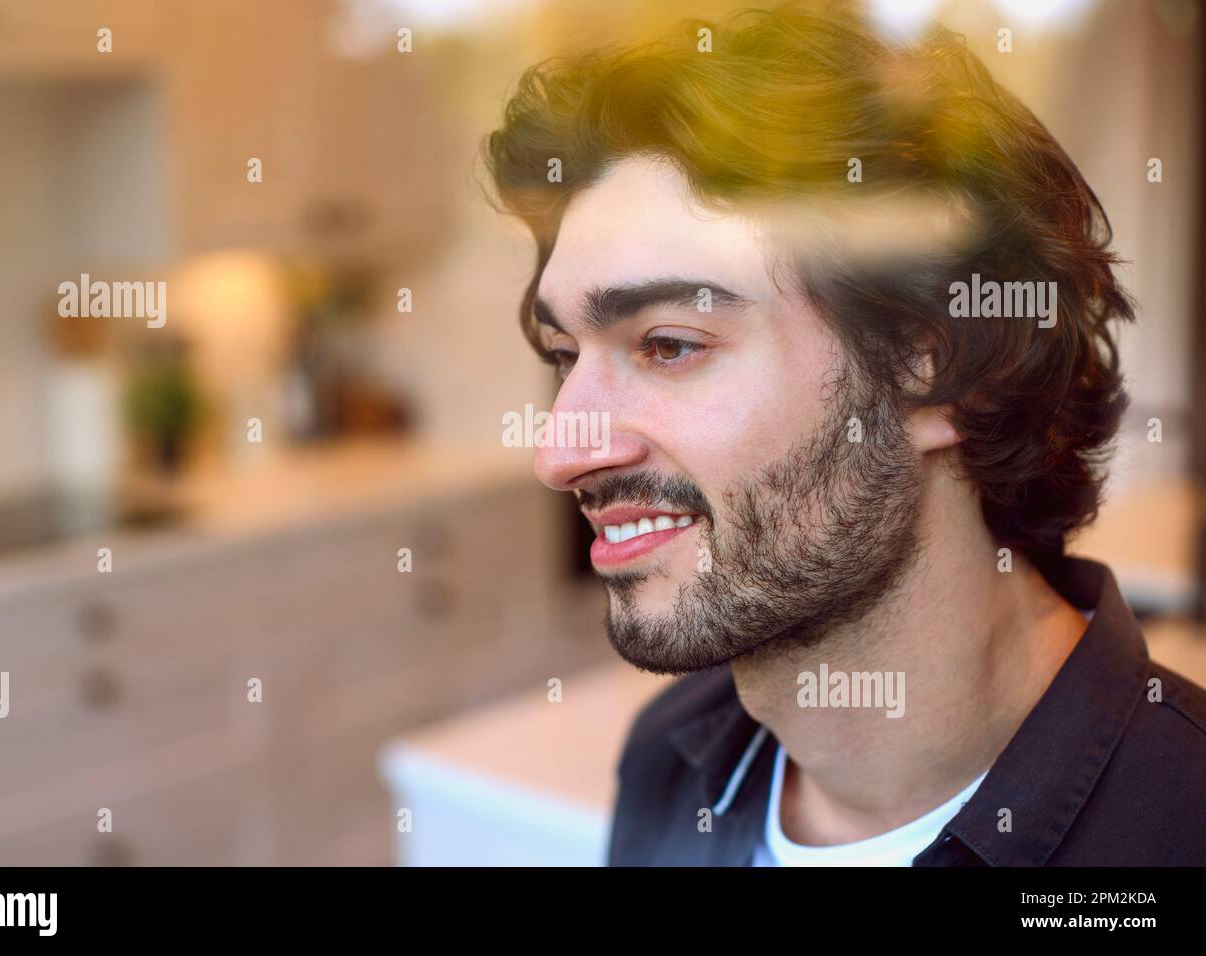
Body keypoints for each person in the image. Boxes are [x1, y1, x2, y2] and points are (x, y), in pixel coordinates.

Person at [483, 0, 1206, 865]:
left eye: (668, 344)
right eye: (565, 356)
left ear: (934, 367)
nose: (559, 454)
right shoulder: (672, 767)